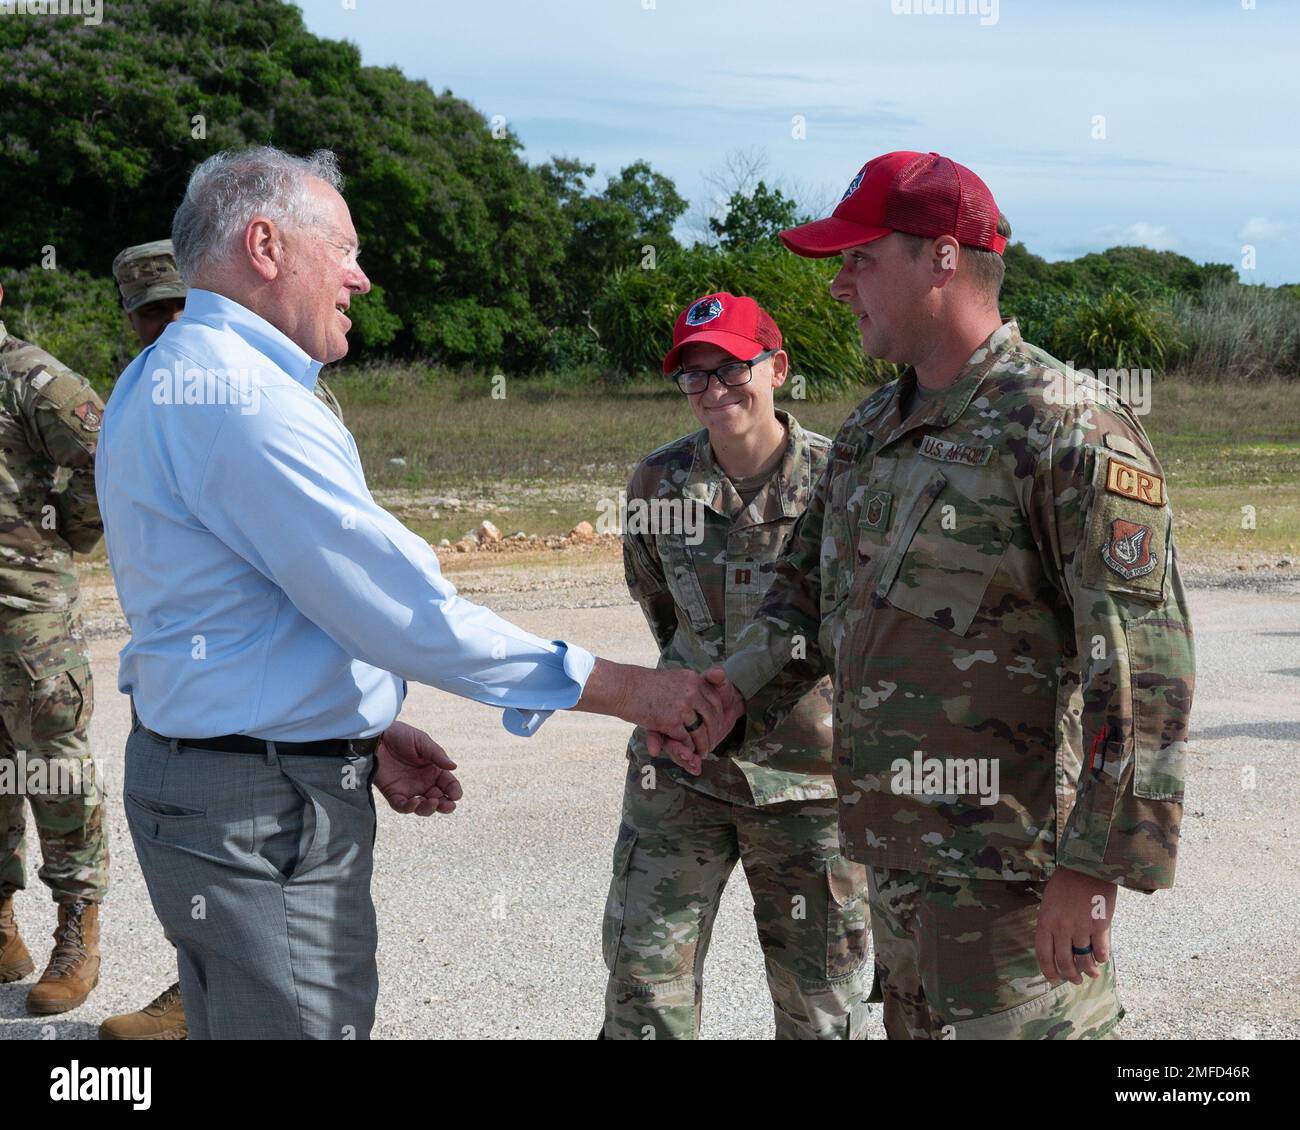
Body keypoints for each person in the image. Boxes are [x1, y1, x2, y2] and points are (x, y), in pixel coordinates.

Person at [95, 145, 738, 1040]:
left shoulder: (163, 376)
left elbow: (243, 606)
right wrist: (635, 692)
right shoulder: (242, 401)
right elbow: (407, 613)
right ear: (267, 244)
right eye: (346, 250)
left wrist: (352, 723)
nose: (361, 279)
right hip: (262, 809)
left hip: (223, 780)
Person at [689, 150, 1195, 1039]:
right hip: (895, 869)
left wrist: (1096, 870)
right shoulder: (869, 430)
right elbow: (801, 600)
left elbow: (1144, 669)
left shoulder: (1065, 427)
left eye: (859, 260)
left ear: (943, 258)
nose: (840, 286)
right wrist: (721, 692)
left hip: (1014, 880)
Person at [99, 237, 352, 1040]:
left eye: (179, 311)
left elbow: (328, 574)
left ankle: (213, 991)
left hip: (263, 735)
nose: (168, 331)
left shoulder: (270, 392)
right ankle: (204, 986)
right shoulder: (142, 394)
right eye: (151, 319)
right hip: (189, 715)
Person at [602, 292, 871, 1039]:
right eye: (694, 376)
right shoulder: (657, 485)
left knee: (819, 1005)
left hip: (811, 782)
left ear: (777, 368)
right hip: (680, 771)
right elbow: (660, 610)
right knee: (643, 989)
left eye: (731, 369)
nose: (714, 390)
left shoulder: (841, 479)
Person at [0, 281, 109, 1015]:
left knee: (54, 768)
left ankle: (78, 931)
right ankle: (1, 927)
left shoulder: (30, 377)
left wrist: (71, 530)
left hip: (26, 616)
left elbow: (108, 445)